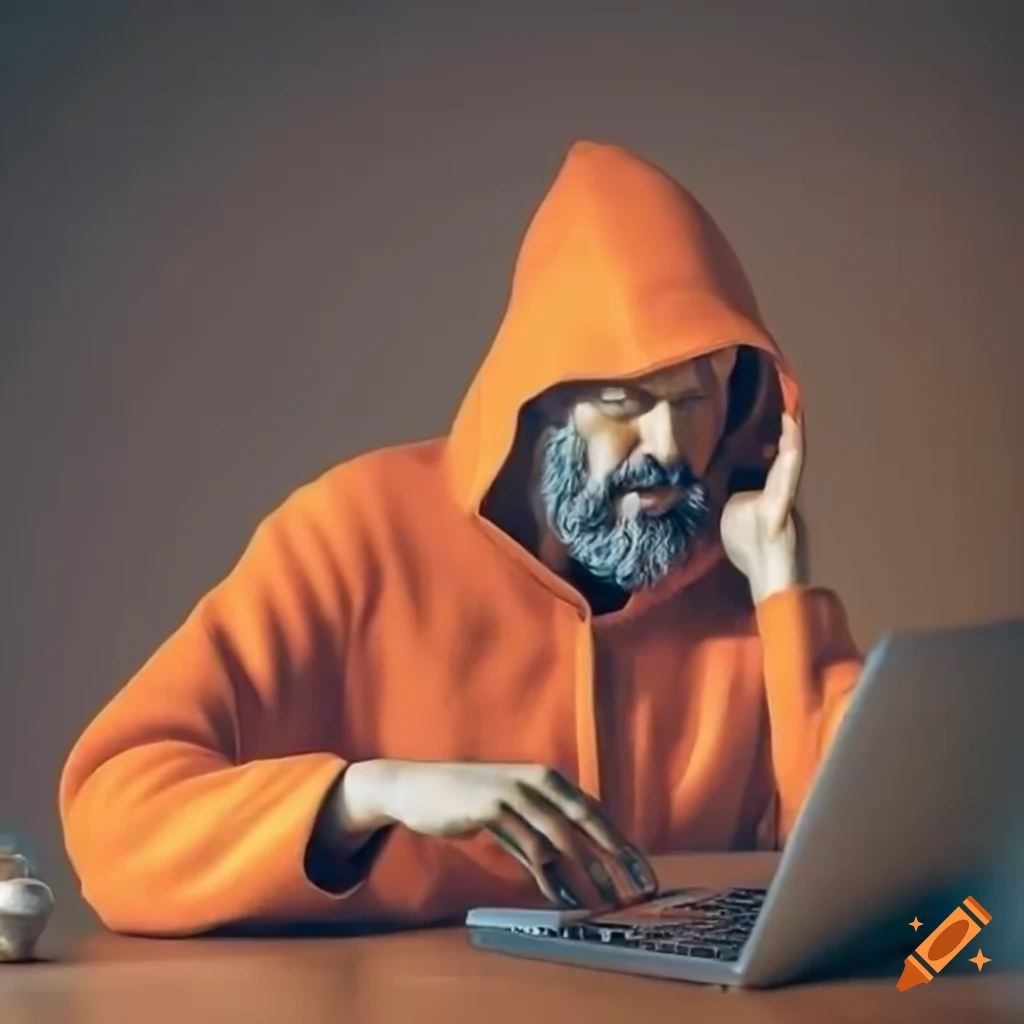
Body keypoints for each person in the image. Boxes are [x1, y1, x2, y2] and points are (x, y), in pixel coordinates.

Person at [59, 140, 863, 937]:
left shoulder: (732, 578)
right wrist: (368, 794)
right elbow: (113, 821)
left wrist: (783, 594)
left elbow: (861, 870)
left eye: (691, 400)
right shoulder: (353, 534)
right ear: (540, 402)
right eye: (624, 402)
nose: (666, 445)